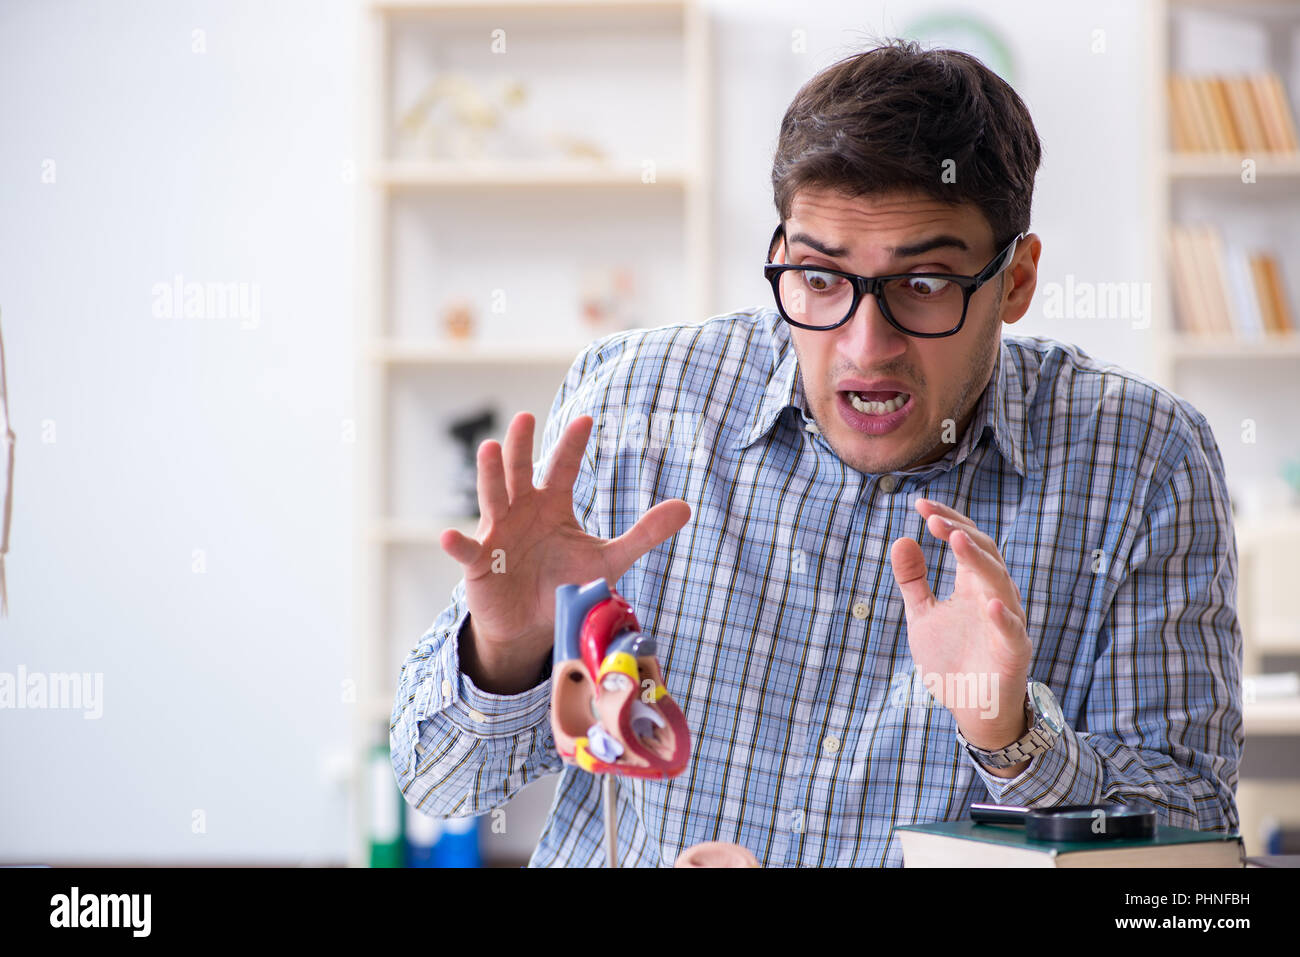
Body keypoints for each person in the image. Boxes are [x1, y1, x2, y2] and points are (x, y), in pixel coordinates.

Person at [390, 39, 1243, 867]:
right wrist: (506, 656)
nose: (866, 348)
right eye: (822, 278)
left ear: (1015, 279)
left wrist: (1010, 731)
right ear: (777, 258)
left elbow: (1190, 845)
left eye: (925, 283)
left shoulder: (1144, 460)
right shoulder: (633, 402)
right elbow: (438, 781)